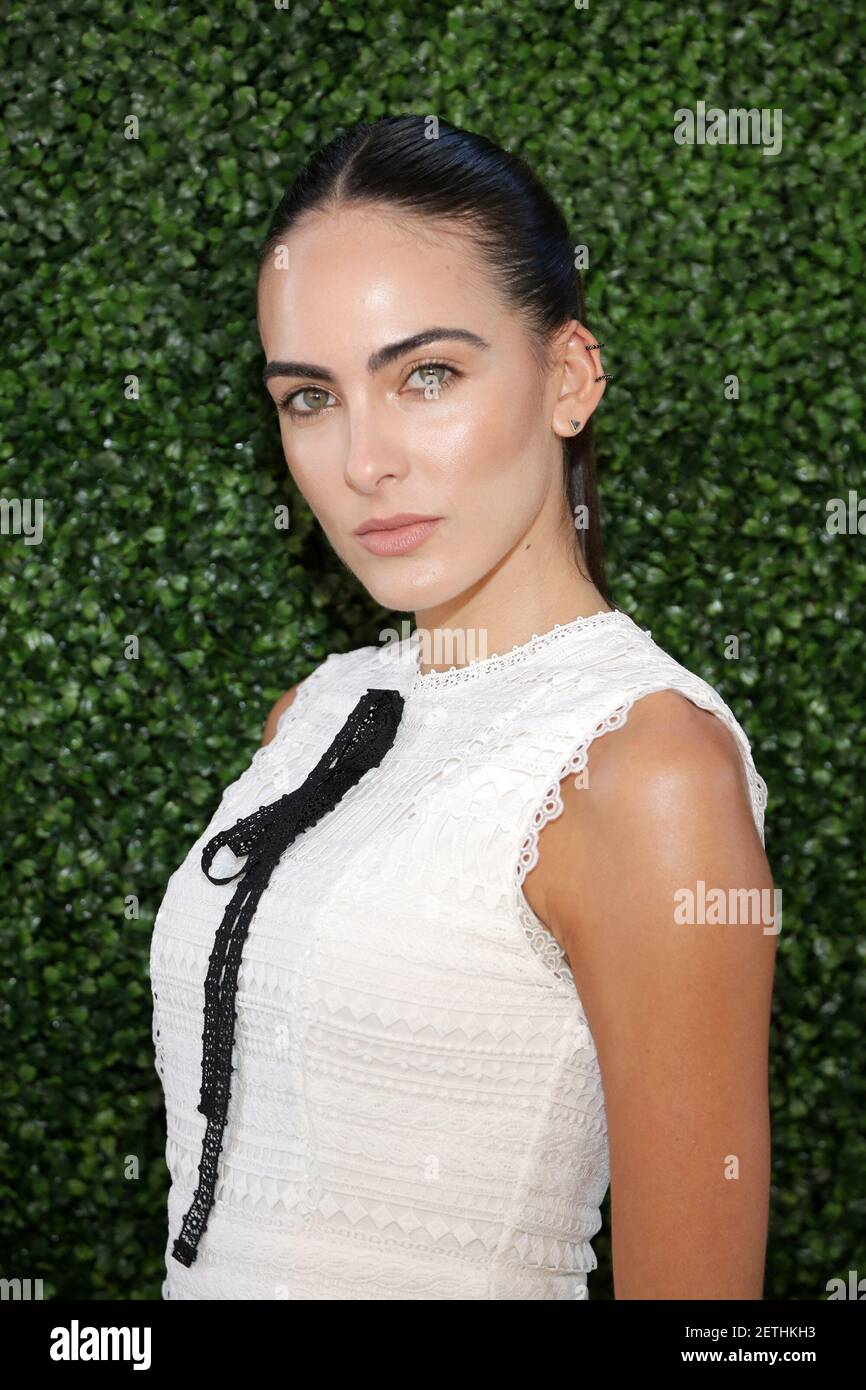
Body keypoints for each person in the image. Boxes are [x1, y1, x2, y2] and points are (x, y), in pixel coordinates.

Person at [150, 115, 776, 1300]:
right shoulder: (314, 718)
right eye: (307, 398)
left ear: (569, 378)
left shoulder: (646, 766)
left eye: (424, 375)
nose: (363, 459)